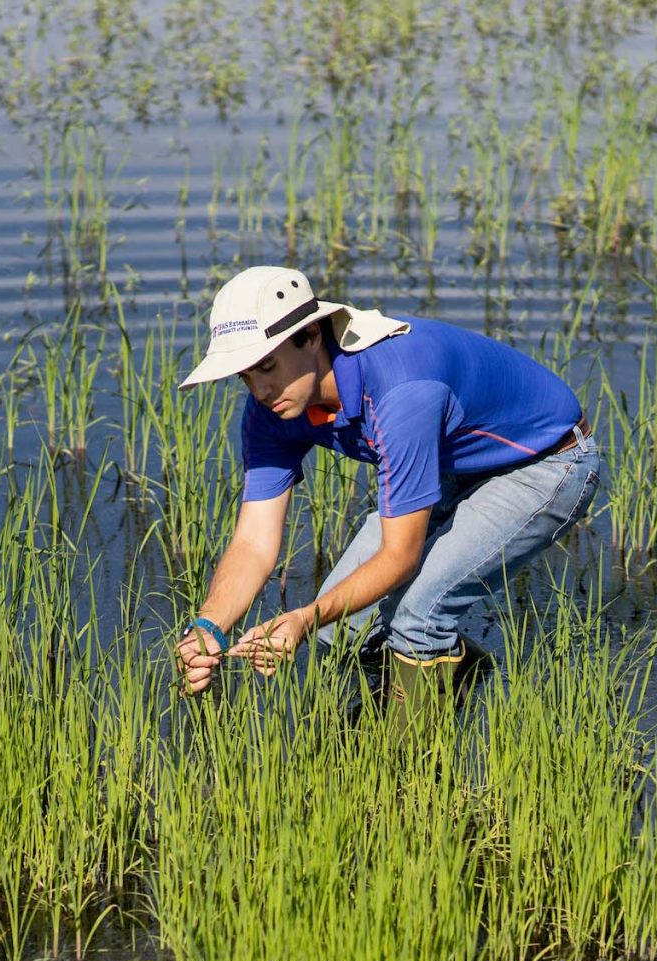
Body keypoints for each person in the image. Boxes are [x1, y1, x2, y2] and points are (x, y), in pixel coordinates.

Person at [171, 265, 603, 704]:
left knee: (418, 617)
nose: (259, 389)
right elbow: (253, 542)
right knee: (337, 634)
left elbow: (400, 556)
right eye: (244, 375)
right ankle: (459, 674)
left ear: (313, 335)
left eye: (267, 366)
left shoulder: (400, 392)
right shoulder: (272, 409)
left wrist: (303, 617)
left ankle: (409, 769)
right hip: (451, 464)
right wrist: (208, 626)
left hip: (548, 461)